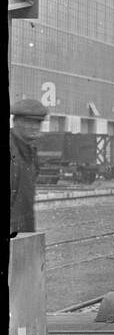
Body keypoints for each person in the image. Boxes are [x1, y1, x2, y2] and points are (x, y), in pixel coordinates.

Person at [10, 98, 48, 236]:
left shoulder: (30, 152)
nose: (34, 126)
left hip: (24, 230)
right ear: (15, 122)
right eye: (28, 121)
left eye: (37, 122)